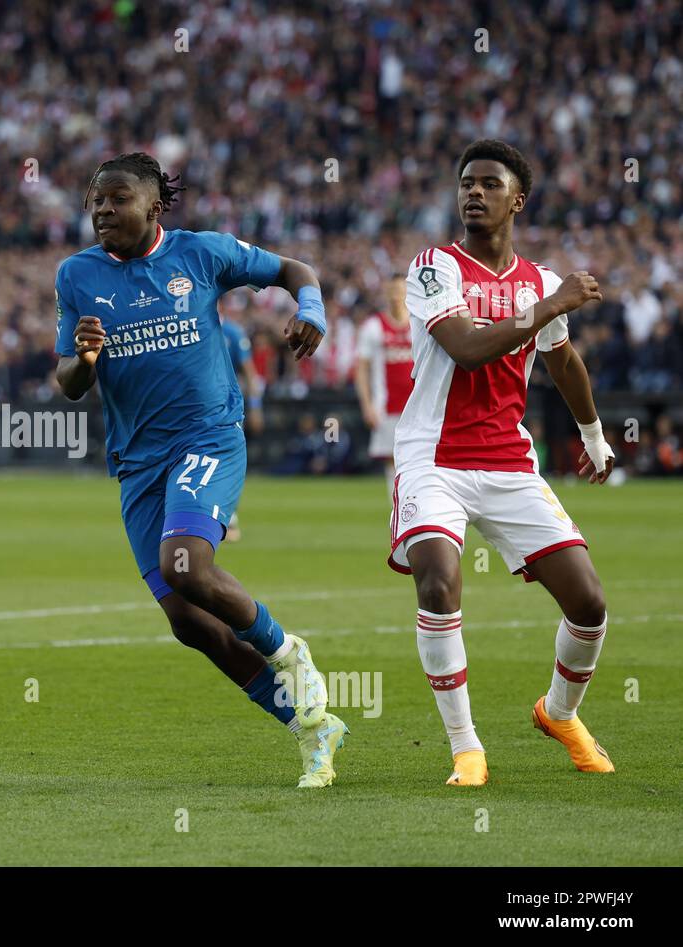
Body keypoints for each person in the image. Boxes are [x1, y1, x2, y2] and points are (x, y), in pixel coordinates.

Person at [55, 152, 347, 788]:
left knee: (183, 562)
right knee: (190, 622)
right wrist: (82, 358)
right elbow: (71, 383)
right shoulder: (75, 275)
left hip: (207, 435)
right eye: (95, 200)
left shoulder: (202, 253)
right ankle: (312, 727)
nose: (103, 210)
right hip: (137, 462)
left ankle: (289, 654)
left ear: (155, 205)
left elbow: (295, 269)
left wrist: (313, 311)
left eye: (118, 199)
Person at [389, 140, 614, 786]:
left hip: (509, 462)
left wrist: (593, 434)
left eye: (489, 184)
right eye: (466, 183)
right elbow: (464, 348)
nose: (474, 193)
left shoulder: (540, 281)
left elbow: (563, 361)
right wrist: (548, 308)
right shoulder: (435, 267)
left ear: (518, 200)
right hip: (434, 457)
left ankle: (560, 713)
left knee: (590, 603)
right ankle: (467, 747)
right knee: (437, 581)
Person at [354, 274, 413, 496]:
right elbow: (361, 368)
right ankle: (398, 506)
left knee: (423, 457)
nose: (396, 296)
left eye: (400, 290)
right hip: (386, 404)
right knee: (392, 459)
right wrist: (367, 404)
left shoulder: (421, 322)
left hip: (419, 404)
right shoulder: (373, 326)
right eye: (392, 291)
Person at [218, 312, 264, 542]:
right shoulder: (188, 324)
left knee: (228, 462)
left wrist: (255, 407)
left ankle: (229, 514)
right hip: (194, 409)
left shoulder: (233, 333)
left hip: (228, 408)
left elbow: (251, 375)